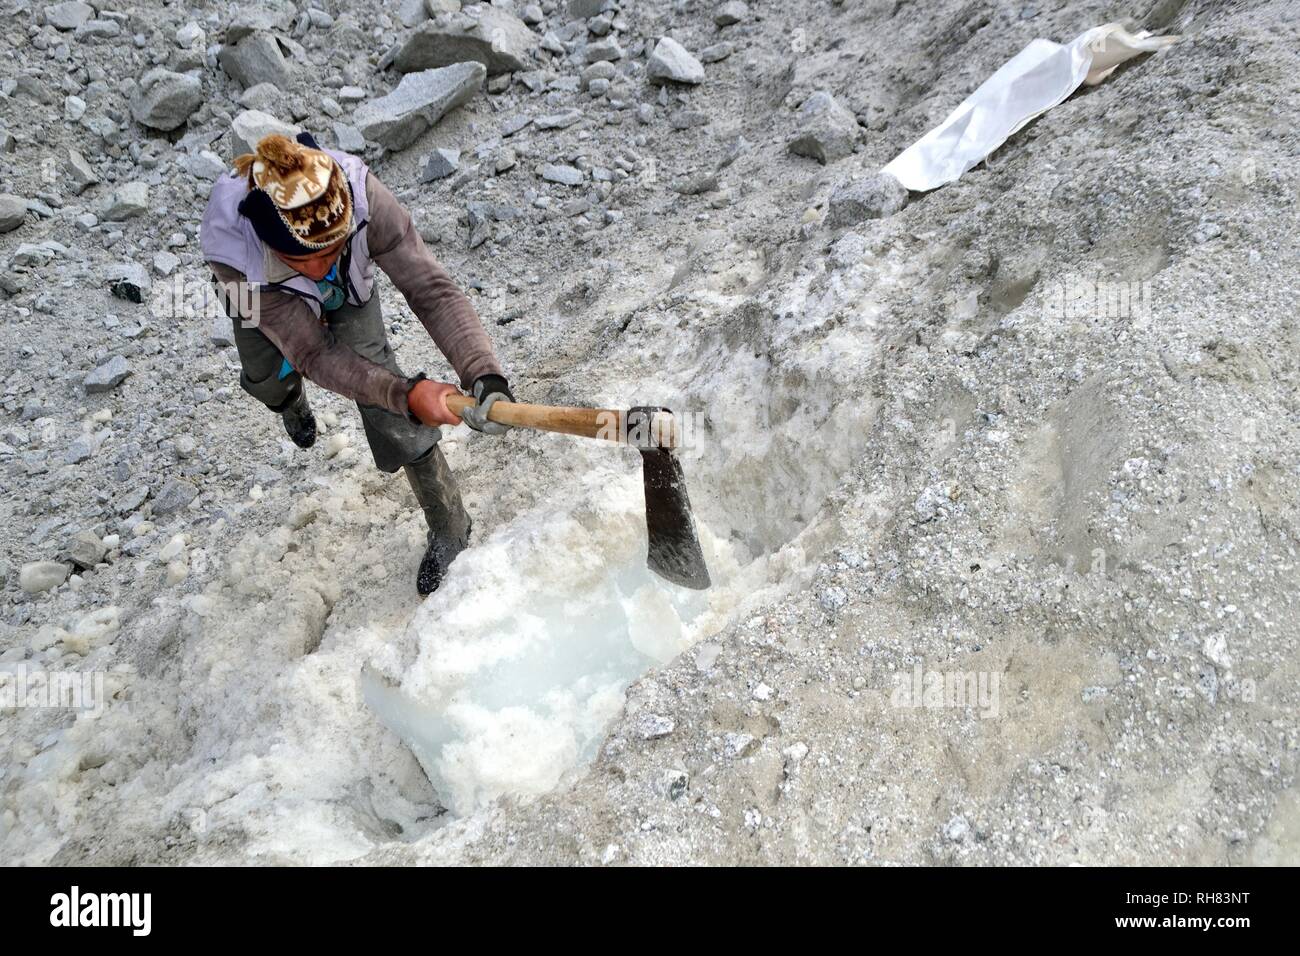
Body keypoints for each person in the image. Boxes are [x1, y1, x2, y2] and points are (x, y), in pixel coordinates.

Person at [200, 131, 512, 595]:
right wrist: (404, 391)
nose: (325, 266)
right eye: (311, 257)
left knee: (389, 406)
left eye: (335, 248)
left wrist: (481, 372)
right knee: (267, 376)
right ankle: (288, 403)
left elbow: (431, 290)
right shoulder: (230, 249)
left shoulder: (365, 198)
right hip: (265, 296)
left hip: (353, 288)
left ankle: (450, 526)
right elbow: (313, 351)